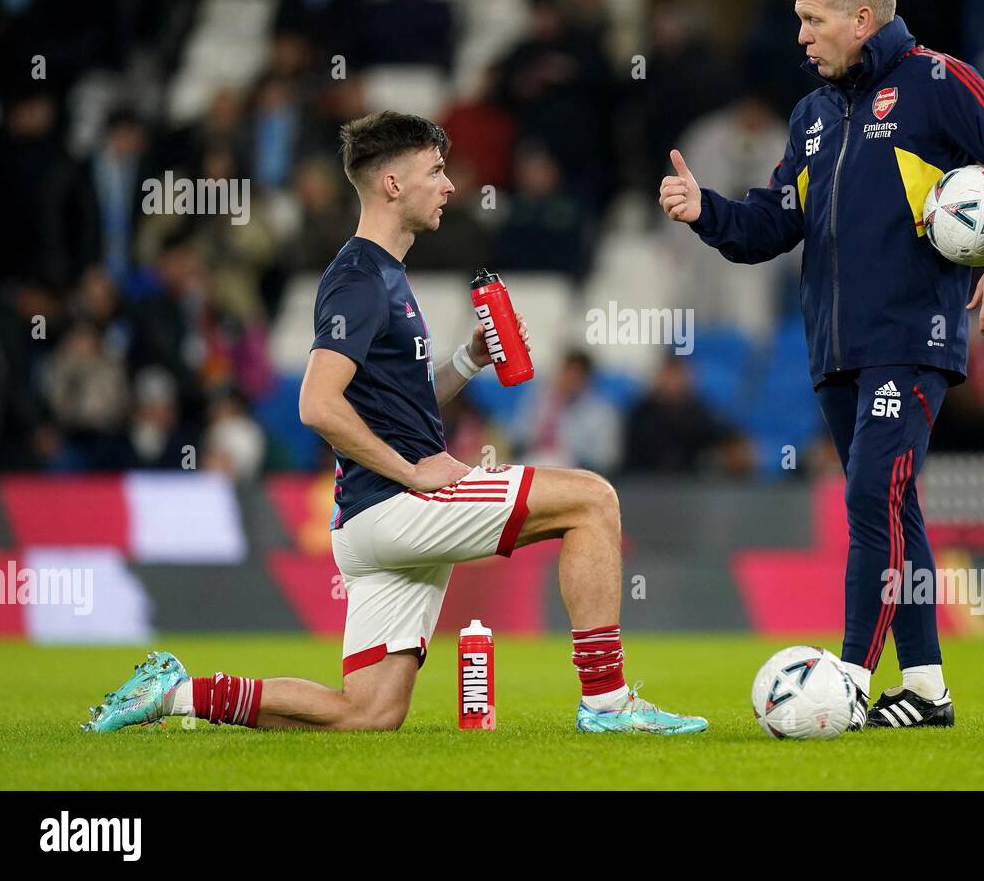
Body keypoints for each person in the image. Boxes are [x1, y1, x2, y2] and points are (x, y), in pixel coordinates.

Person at [84, 112, 705, 736]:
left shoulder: (384, 277)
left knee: (368, 713)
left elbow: (403, 406)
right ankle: (606, 702)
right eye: (434, 171)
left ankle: (177, 693)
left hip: (368, 520)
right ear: (390, 184)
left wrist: (467, 361)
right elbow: (316, 405)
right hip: (398, 502)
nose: (450, 186)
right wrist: (413, 471)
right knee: (593, 501)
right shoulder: (359, 278)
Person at [659, 0, 984, 730]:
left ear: (860, 17)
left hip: (910, 337)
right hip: (833, 349)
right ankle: (929, 691)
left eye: (813, 19)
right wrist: (705, 209)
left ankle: (846, 676)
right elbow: (774, 225)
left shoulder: (939, 82)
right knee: (893, 508)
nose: (801, 37)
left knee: (874, 496)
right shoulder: (813, 117)